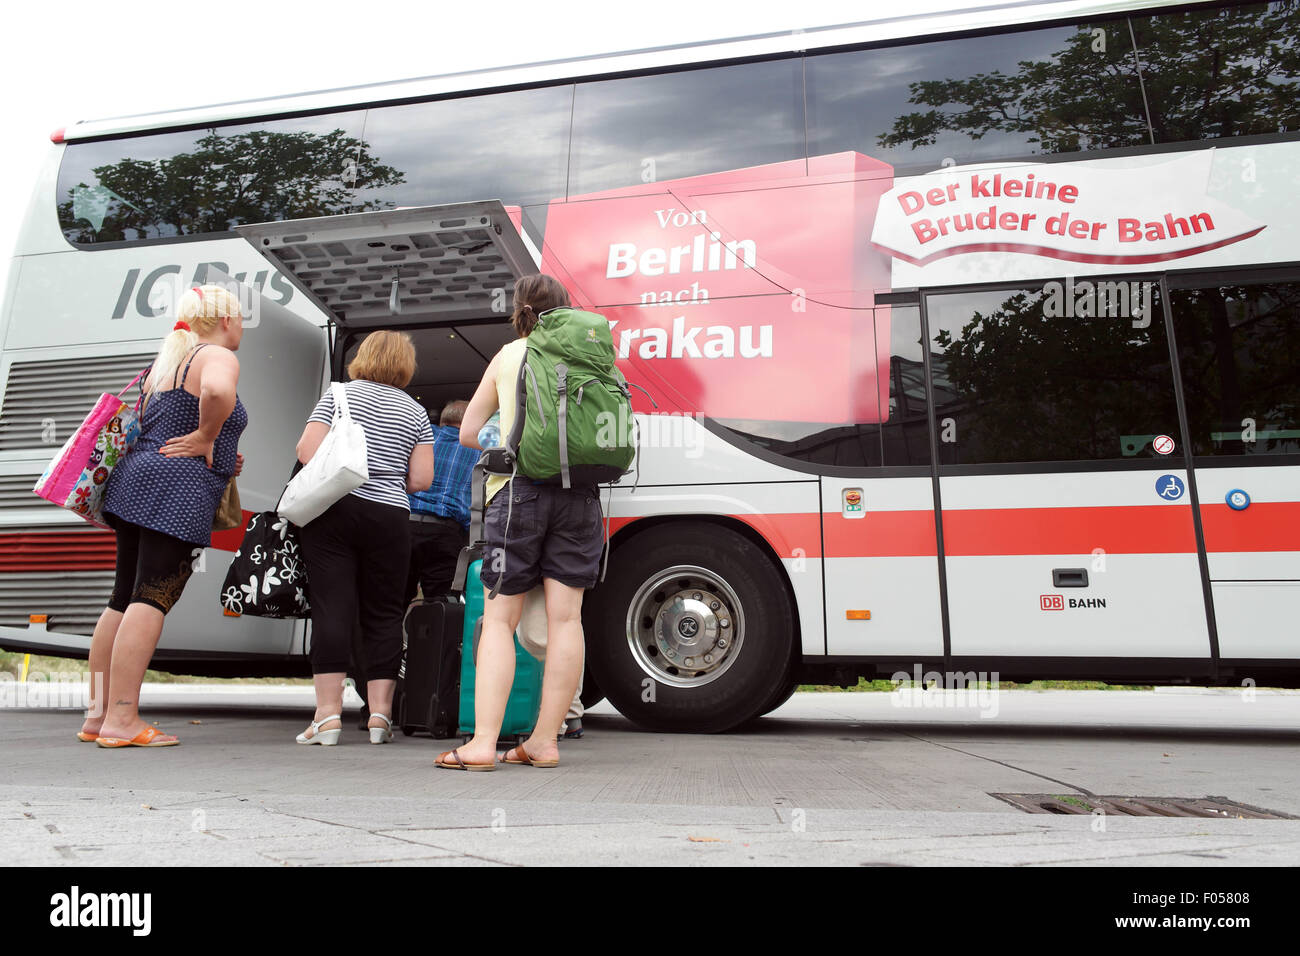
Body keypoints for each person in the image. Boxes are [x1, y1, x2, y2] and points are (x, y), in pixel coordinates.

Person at [436, 274, 603, 771]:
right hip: (581, 496)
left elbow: (468, 434)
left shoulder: (511, 355)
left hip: (519, 493)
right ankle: (544, 741)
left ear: (520, 310)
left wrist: (509, 437)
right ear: (567, 309)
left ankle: (483, 744)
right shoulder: (593, 356)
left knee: (501, 621)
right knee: (566, 621)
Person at [80, 284, 247, 748]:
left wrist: (220, 449)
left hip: (133, 485)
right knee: (152, 597)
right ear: (227, 321)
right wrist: (207, 436)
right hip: (175, 492)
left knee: (122, 598)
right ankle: (122, 720)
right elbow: (215, 392)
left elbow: (163, 424)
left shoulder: (168, 359)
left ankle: (97, 716)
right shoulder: (217, 355)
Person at [294, 330, 434, 746]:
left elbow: (306, 451)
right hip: (390, 517)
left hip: (336, 507)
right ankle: (380, 717)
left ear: (363, 357)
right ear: (404, 366)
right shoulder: (416, 411)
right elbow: (422, 479)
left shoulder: (338, 395)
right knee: (386, 613)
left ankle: (327, 717)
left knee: (333, 607)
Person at [404, 399, 476, 606]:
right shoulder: (479, 448)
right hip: (446, 534)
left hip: (404, 525)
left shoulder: (422, 439)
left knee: (391, 600)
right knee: (441, 607)